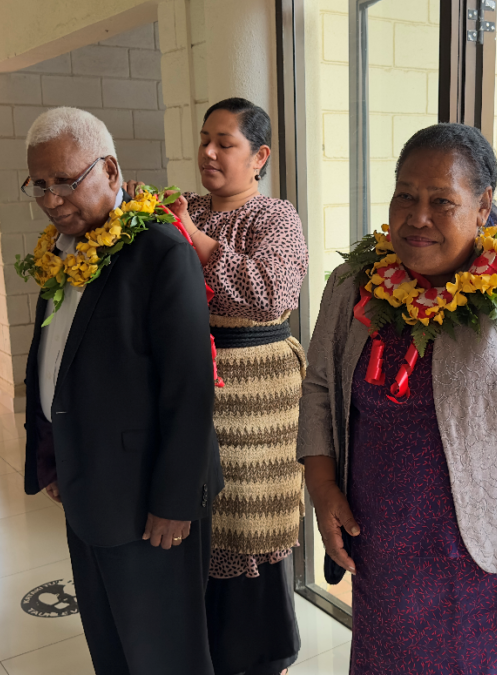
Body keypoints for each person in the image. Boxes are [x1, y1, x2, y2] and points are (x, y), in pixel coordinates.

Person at [299, 123, 497, 674]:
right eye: (405, 196)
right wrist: (323, 490)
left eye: (442, 201)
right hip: (386, 549)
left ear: (482, 203)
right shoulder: (355, 282)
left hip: (490, 558)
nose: (418, 217)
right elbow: (321, 387)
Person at [19, 107, 223, 675]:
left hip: (148, 500)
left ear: (110, 171)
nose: (53, 198)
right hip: (87, 483)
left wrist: (173, 502)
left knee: (164, 652)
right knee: (110, 643)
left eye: (66, 180)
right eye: (40, 184)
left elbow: (189, 387)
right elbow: (52, 361)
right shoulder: (61, 253)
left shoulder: (159, 252)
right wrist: (51, 458)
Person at [128, 96, 308, 675]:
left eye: (224, 143)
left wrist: (190, 237)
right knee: (192, 519)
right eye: (205, 138)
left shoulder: (275, 216)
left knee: (247, 527)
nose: (207, 151)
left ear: (259, 157)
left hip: (258, 394)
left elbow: (270, 294)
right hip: (189, 388)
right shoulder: (188, 209)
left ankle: (259, 659)